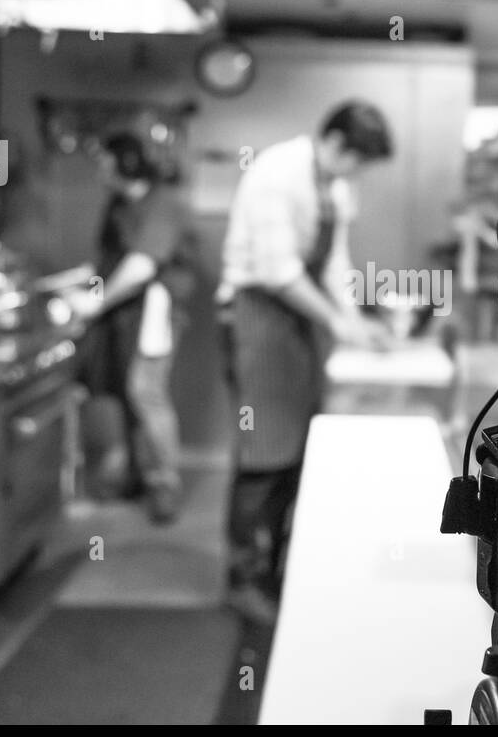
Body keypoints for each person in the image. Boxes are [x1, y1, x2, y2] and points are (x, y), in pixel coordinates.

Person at [217, 101, 394, 622]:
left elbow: (334, 262)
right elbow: (277, 273)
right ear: (336, 143)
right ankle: (242, 578)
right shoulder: (276, 174)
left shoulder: (335, 186)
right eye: (358, 160)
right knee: (262, 453)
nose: (358, 173)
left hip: (295, 322)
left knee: (294, 451)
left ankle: (277, 569)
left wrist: (355, 320)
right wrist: (337, 324)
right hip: (256, 316)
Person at [71, 132, 199, 524]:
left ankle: (164, 484)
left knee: (146, 393)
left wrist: (96, 300)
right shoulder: (120, 206)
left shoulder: (164, 204)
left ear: (124, 163)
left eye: (106, 162)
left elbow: (143, 265)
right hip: (123, 316)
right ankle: (136, 474)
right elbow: (110, 260)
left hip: (155, 314)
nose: (101, 171)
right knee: (127, 395)